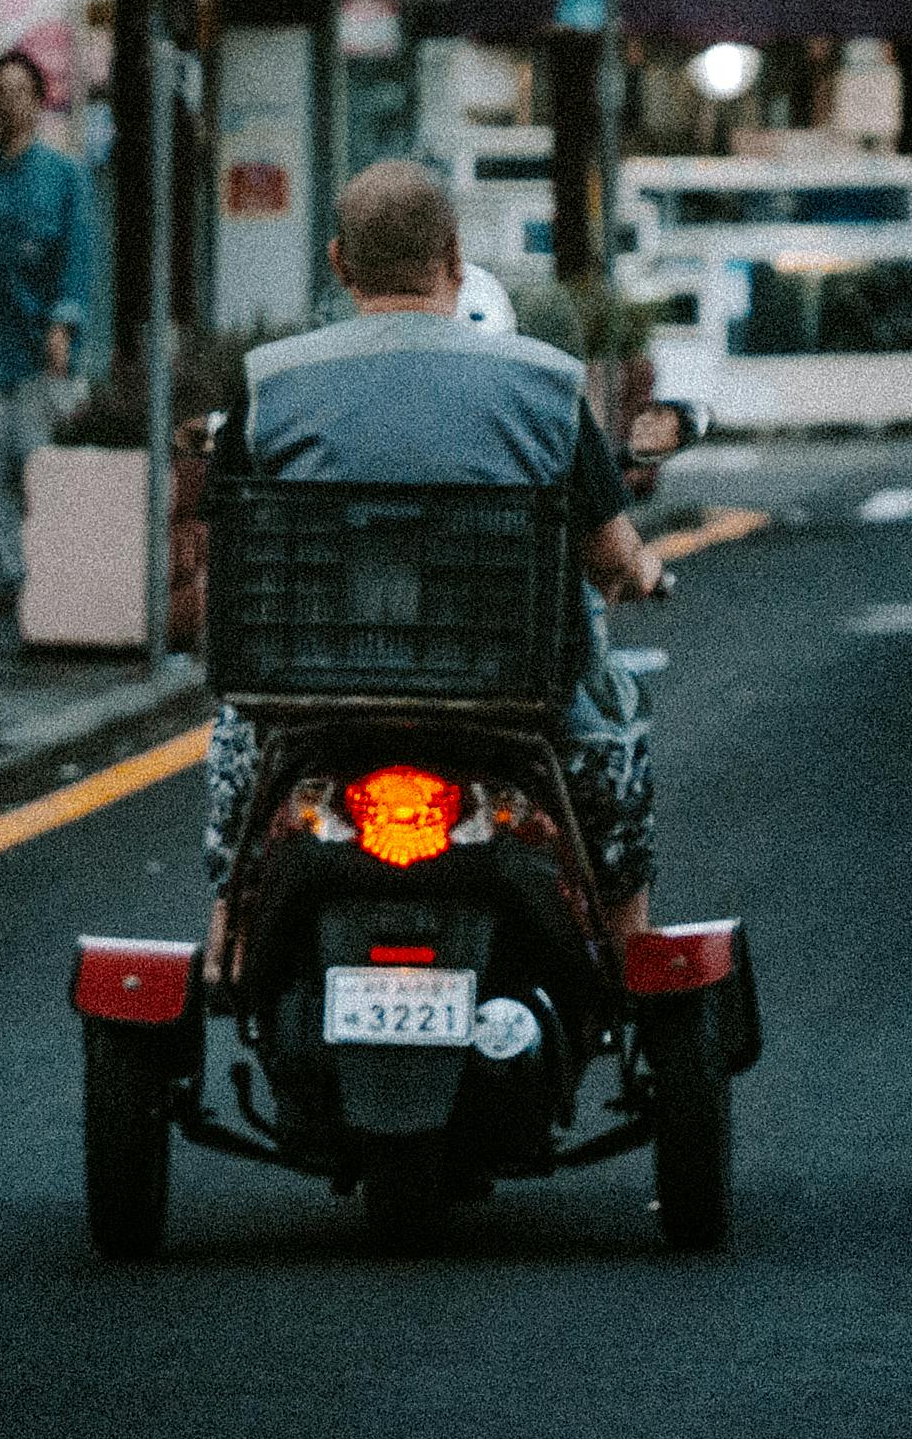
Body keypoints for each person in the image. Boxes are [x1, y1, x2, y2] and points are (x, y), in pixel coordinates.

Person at [203, 158, 671, 950]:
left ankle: (229, 934)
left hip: (313, 690)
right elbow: (611, 556)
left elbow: (233, 549)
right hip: (509, 693)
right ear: (456, 256)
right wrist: (643, 574)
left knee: (237, 748)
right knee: (612, 736)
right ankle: (629, 952)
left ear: (339, 264)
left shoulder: (268, 384)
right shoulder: (549, 386)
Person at [0, 46, 108, 604]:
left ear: (38, 100)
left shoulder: (64, 178)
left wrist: (64, 323)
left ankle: (41, 570)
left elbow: (78, 257)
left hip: (35, 344)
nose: (12, 104)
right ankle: (11, 573)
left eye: (22, 92)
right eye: (1, 93)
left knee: (32, 461)